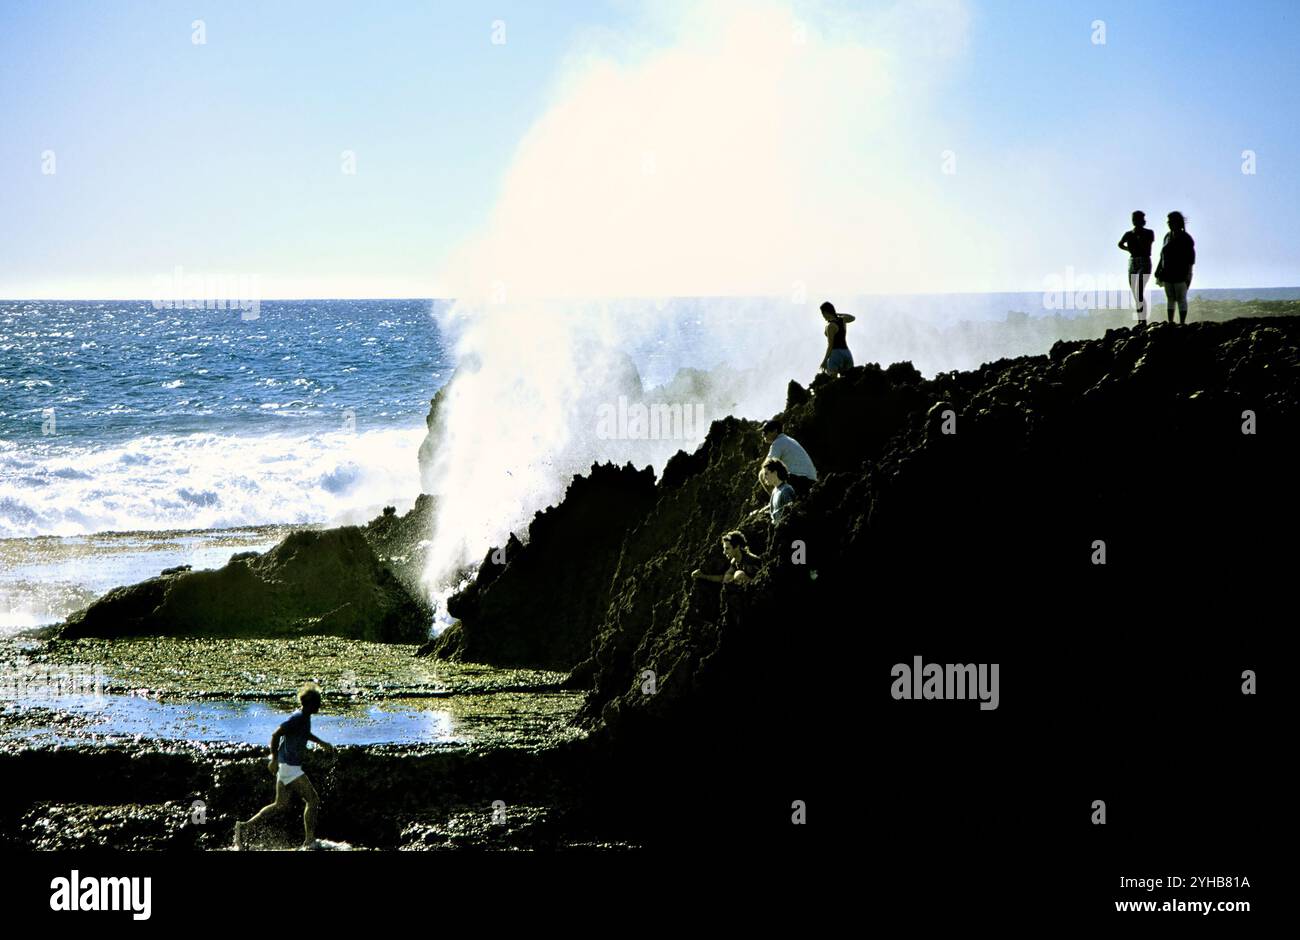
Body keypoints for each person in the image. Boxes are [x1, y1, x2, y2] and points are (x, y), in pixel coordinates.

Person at [235, 681, 335, 850]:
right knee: (313, 800)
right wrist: (273, 758)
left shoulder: (304, 718)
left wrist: (321, 742)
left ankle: (243, 827)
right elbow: (276, 734)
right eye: (317, 703)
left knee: (280, 805)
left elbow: (304, 733)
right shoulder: (297, 718)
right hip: (290, 767)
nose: (320, 706)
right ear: (310, 704)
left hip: (286, 767)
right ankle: (309, 840)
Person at [1155, 211, 1195, 324]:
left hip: (1180, 273)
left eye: (1171, 222)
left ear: (1177, 222)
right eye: (1168, 222)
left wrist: (1189, 274)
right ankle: (1171, 322)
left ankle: (1182, 322)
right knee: (1170, 299)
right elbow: (1162, 255)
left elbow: (1190, 258)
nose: (1169, 224)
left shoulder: (1186, 238)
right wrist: (1158, 269)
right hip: (1167, 272)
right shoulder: (1167, 236)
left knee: (1181, 298)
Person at [761, 419, 817, 495]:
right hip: (811, 481)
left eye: (765, 432)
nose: (763, 435)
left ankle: (778, 499)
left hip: (800, 482)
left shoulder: (778, 443)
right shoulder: (790, 440)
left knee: (762, 474)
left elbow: (766, 466)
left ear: (775, 431)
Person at [1118, 210, 1155, 325]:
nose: (1136, 221)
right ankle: (1141, 318)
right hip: (1133, 262)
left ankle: (1142, 320)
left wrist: (1136, 240)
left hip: (1144, 261)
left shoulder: (1149, 233)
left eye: (1138, 219)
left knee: (1139, 291)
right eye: (1134, 219)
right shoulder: (1129, 234)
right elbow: (1120, 244)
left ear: (1143, 220)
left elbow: (1146, 245)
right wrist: (1128, 249)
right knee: (1135, 292)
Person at [691, 531, 763, 585]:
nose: (724, 552)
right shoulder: (735, 561)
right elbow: (723, 579)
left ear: (737, 547)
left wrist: (739, 578)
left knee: (738, 574)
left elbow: (761, 581)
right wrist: (702, 576)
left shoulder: (751, 562)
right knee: (729, 576)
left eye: (727, 548)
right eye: (724, 549)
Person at [746, 457, 797, 524]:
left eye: (766, 474)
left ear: (775, 472)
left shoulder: (786, 490)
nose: (764, 477)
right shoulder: (775, 491)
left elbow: (790, 514)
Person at [818, 301, 855, 376]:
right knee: (849, 380)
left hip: (836, 354)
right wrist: (838, 314)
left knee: (832, 381)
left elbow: (830, 345)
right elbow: (852, 318)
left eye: (822, 314)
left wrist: (825, 361)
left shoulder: (830, 326)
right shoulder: (843, 320)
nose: (823, 316)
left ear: (825, 312)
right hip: (847, 353)